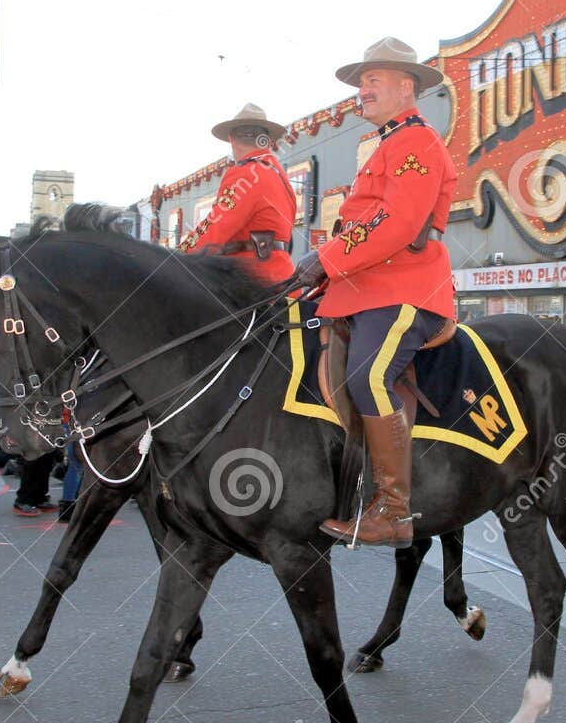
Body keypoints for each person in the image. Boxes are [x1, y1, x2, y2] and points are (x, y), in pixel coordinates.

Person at [291, 37, 456, 547]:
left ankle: (393, 511)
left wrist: (328, 257)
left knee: (368, 376)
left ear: (406, 87)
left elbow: (398, 222)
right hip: (364, 287)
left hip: (406, 289)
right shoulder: (388, 143)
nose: (362, 89)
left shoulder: (416, 143)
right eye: (361, 81)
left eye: (373, 80)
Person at [177, 103, 299, 283]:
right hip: (283, 280)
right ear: (266, 139)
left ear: (232, 139)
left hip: (252, 284)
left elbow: (215, 228)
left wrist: (176, 256)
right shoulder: (279, 175)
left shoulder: (246, 172)